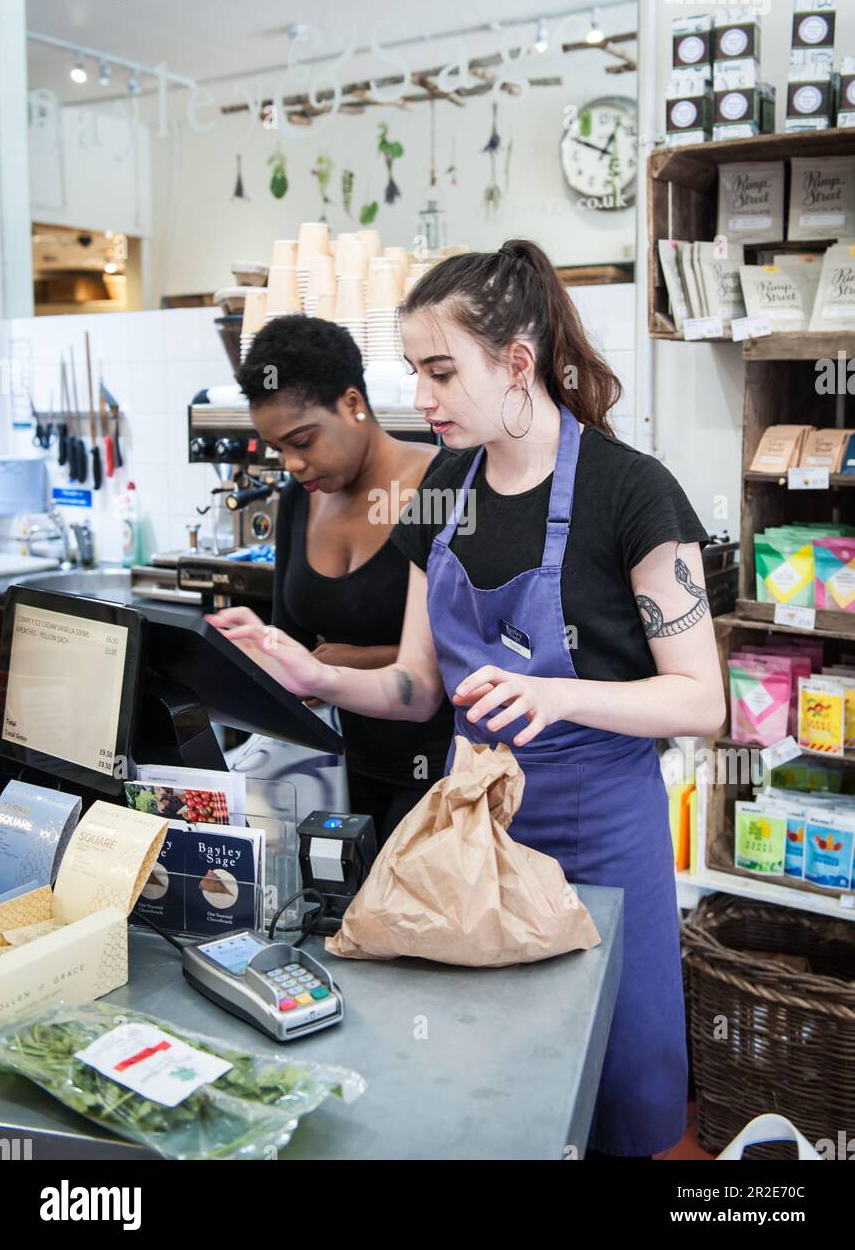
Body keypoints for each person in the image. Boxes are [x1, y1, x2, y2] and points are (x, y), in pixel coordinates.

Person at [209, 242, 725, 1160]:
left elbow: (699, 704)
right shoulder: (440, 492)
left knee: (615, 1084)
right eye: (414, 371)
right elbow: (415, 689)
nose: (423, 397)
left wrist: (557, 697)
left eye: (441, 371)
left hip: (600, 834)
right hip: (469, 831)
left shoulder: (630, 492)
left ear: (516, 363)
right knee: (486, 1084)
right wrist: (313, 675)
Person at [208, 315, 455, 847]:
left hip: (444, 778)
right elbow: (296, 649)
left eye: (302, 440)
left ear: (351, 403)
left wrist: (343, 660)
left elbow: (473, 656)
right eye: (276, 448)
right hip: (345, 772)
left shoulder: (444, 488)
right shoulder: (300, 500)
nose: (292, 462)